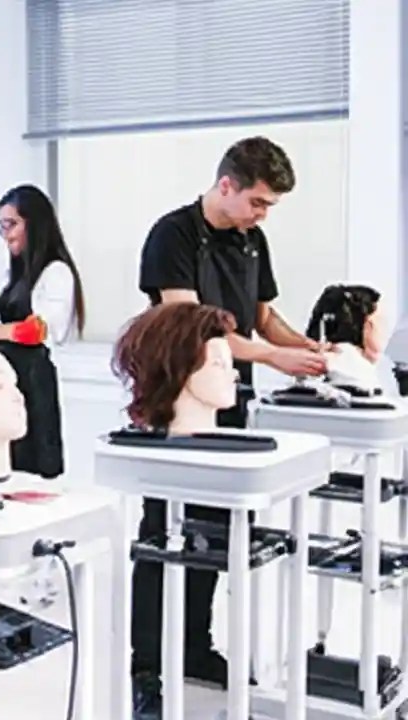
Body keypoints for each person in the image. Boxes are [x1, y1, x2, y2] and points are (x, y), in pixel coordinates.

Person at [130, 136, 327, 717]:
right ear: (226, 186)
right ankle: (148, 663)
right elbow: (195, 332)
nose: (263, 215)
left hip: (229, 401)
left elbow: (263, 315)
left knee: (217, 530)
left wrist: (310, 348)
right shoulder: (173, 236)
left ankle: (193, 647)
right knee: (164, 533)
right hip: (176, 407)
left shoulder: (251, 238)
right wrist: (272, 358)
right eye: (259, 202)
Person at [0, 184, 85, 346]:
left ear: (35, 225)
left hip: (40, 367)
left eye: (10, 225)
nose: (6, 236)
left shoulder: (57, 273)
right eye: (2, 228)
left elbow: (39, 330)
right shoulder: (19, 274)